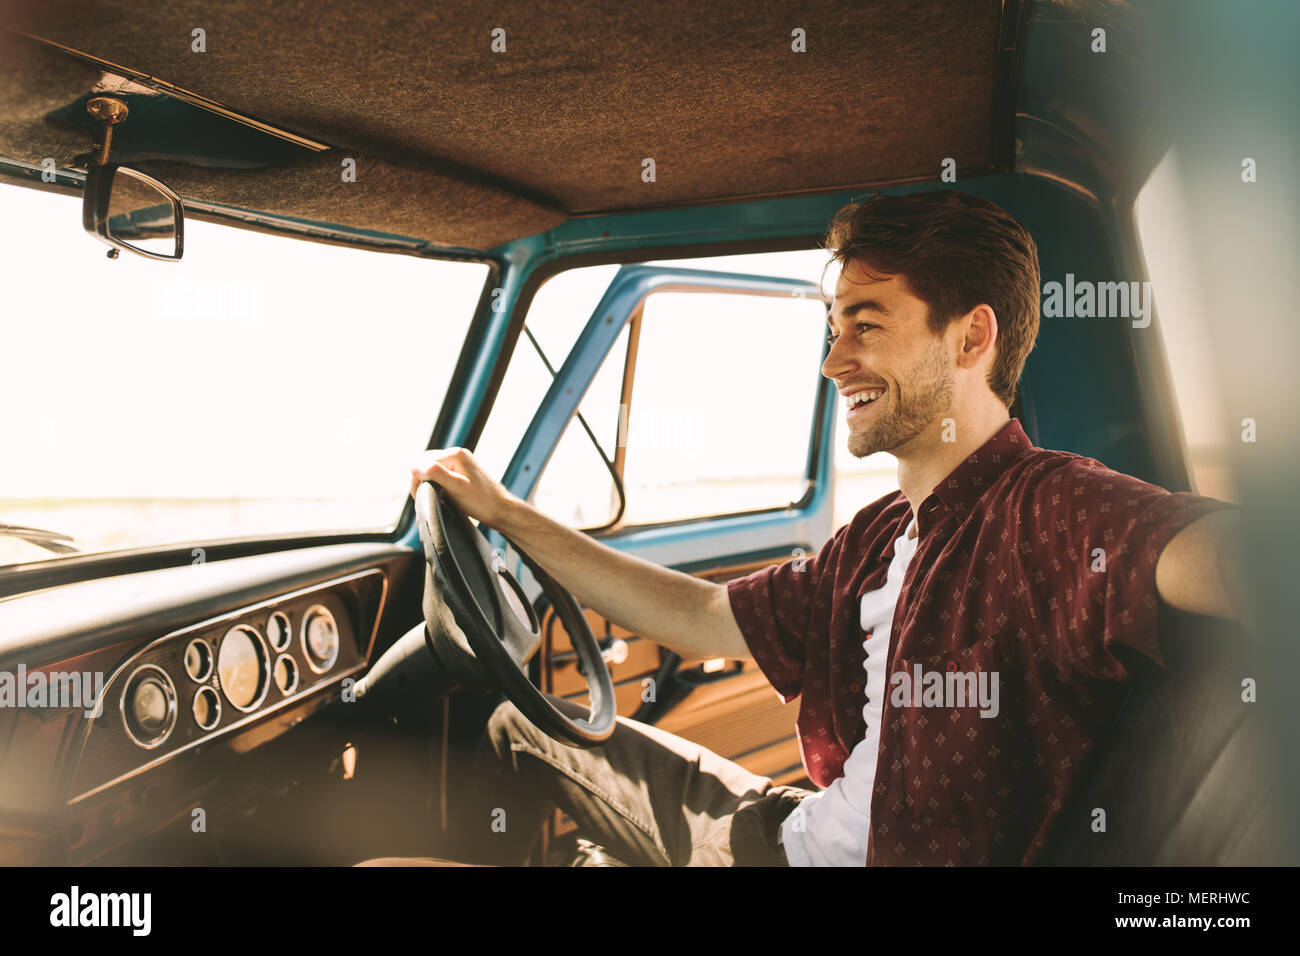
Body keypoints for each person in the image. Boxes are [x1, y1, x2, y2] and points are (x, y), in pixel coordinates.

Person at [411, 190, 1245, 866]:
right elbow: (705, 615)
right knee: (518, 723)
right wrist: (504, 512)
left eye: (867, 325)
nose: (833, 361)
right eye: (834, 328)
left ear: (972, 338)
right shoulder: (879, 534)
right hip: (790, 827)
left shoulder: (1053, 510)